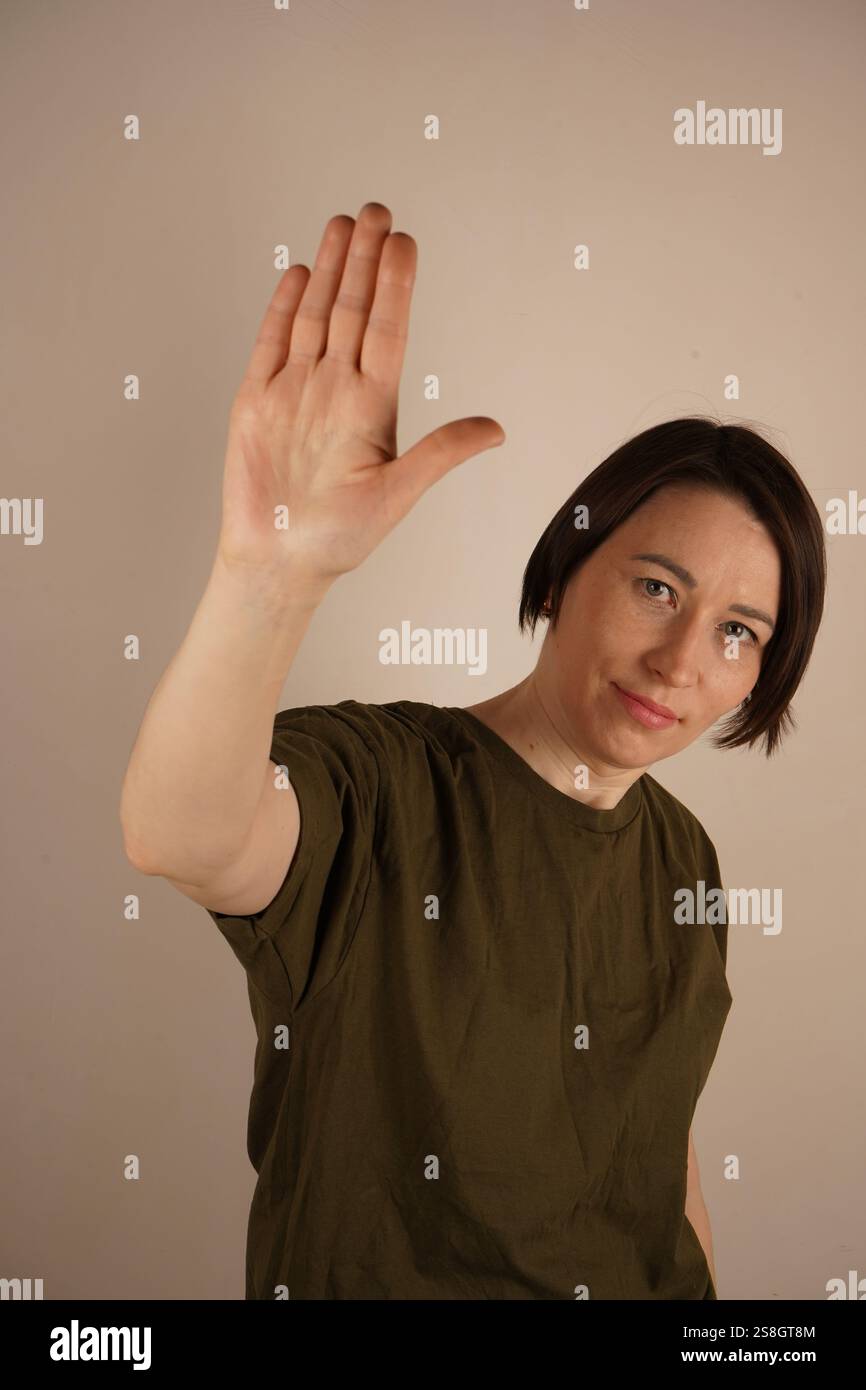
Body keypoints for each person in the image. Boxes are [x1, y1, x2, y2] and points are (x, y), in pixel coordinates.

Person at [119, 201, 827, 1300]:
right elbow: (179, 831)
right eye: (655, 588)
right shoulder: (378, 783)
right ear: (562, 570)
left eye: (738, 631)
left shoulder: (684, 863)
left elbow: (655, 1163)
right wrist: (271, 573)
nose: (684, 659)